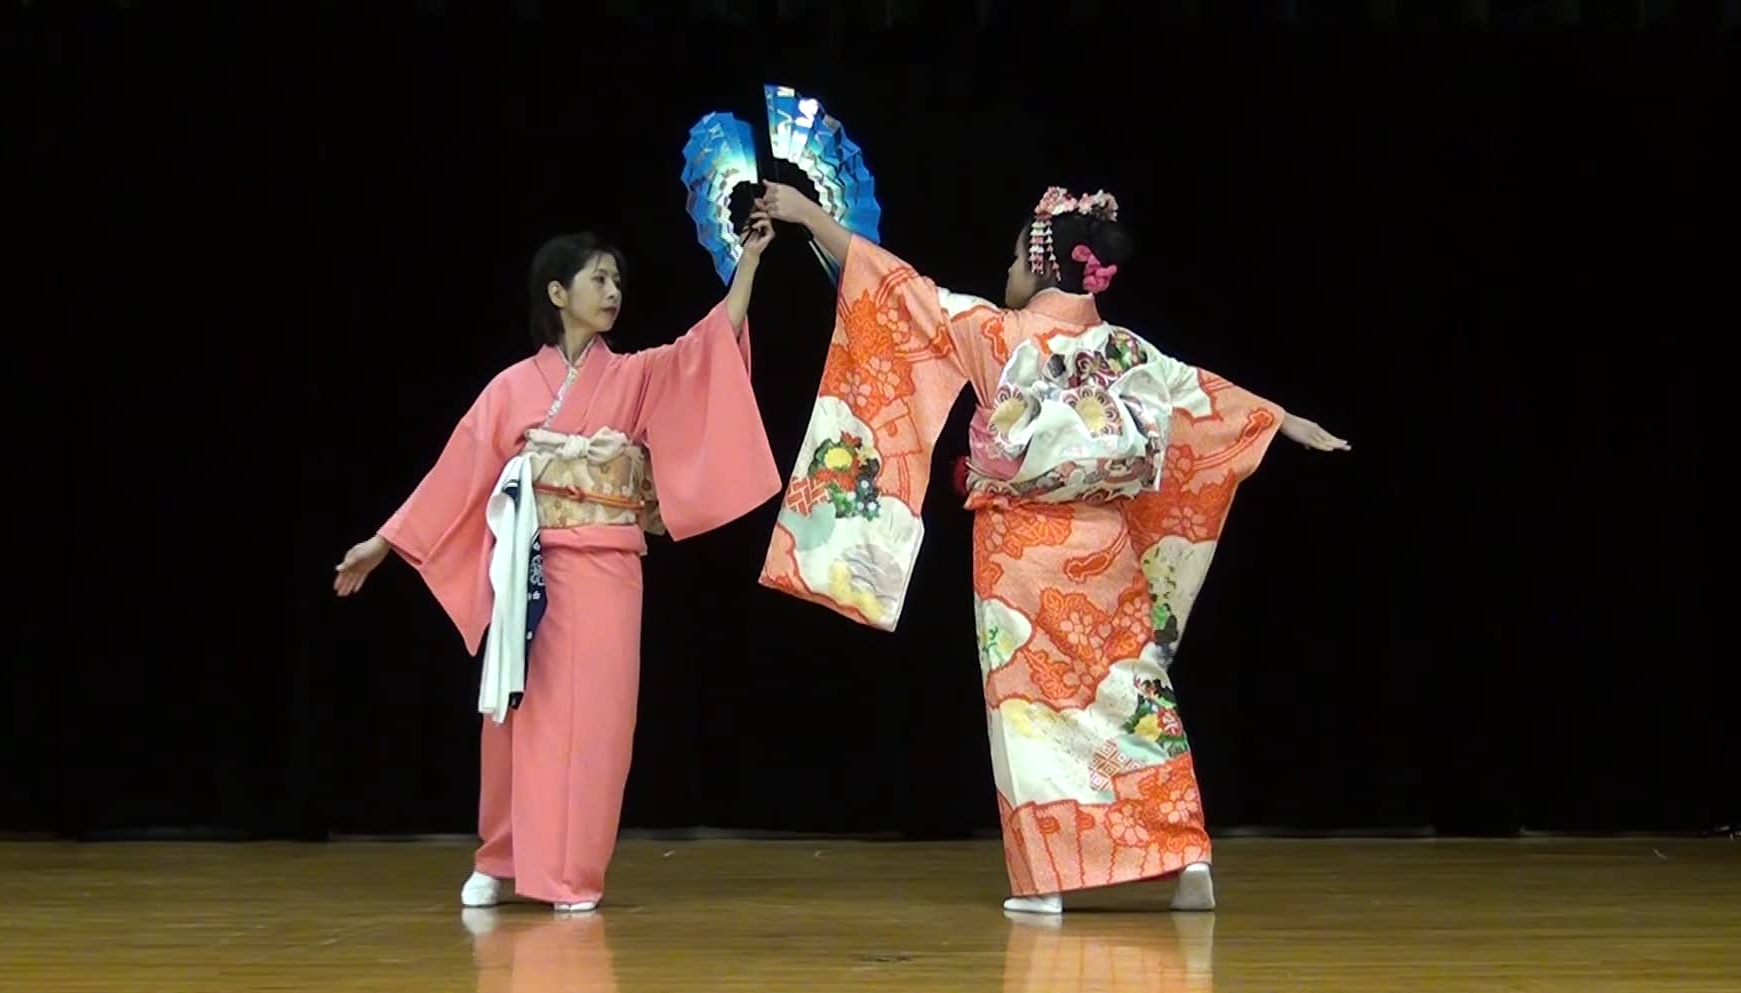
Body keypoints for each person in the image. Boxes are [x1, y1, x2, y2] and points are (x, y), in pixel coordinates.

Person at [754, 182, 1347, 914]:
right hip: (1106, 548)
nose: (1005, 274)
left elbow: (900, 290)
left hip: (1019, 557)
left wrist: (810, 218)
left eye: (1012, 259)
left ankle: (1047, 883)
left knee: (1027, 713)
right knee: (1133, 697)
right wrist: (1280, 418)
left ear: (1041, 265)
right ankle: (1186, 859)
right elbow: (1203, 395)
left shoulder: (1000, 335)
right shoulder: (1126, 350)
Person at [334, 219, 781, 912]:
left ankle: (573, 873)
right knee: (513, 714)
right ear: (557, 292)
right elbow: (459, 472)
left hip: (607, 570)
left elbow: (707, 348)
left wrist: (747, 264)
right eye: (598, 278)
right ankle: (499, 856)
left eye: (617, 281)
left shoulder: (633, 376)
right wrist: (386, 541)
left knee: (596, 725)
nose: (612, 291)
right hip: (531, 571)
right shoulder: (512, 388)